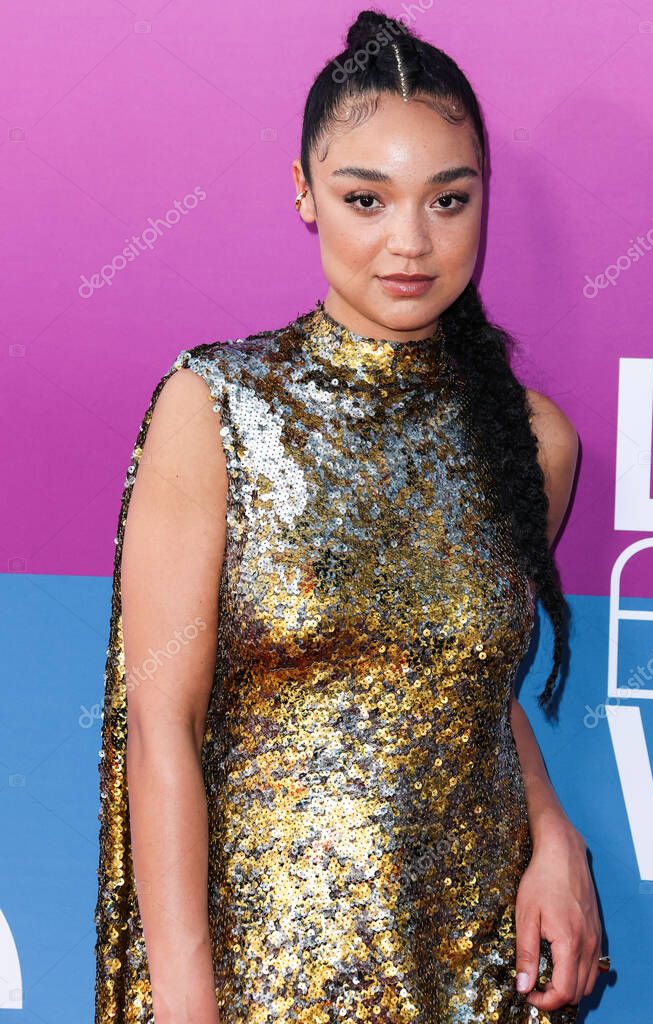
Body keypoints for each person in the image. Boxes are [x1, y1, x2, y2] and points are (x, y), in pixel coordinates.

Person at [93, 8, 607, 1023]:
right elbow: (160, 723)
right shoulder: (218, 406)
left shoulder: (533, 441)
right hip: (255, 981)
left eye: (447, 200)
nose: (408, 242)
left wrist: (553, 837)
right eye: (364, 198)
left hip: (466, 975)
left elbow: (462, 688)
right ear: (303, 193)